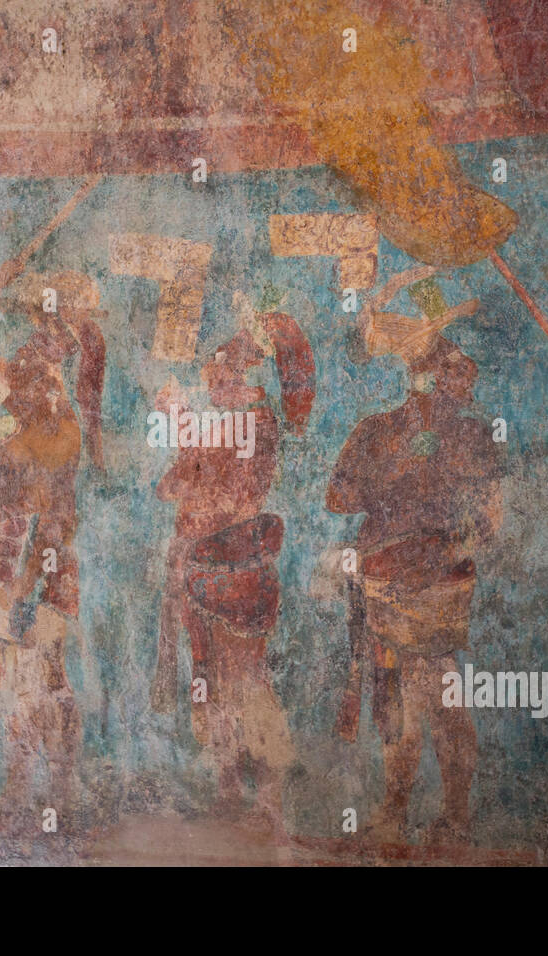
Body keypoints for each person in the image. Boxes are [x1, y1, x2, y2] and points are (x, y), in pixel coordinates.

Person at [0, 264, 105, 829]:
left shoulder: (59, 434)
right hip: (11, 565)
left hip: (44, 568)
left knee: (49, 678)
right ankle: (18, 792)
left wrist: (25, 585)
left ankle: (61, 789)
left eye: (35, 373)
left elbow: (53, 526)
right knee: (19, 682)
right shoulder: (30, 415)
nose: (20, 383)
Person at [150, 293, 315, 835]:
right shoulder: (225, 425)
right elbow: (170, 484)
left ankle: (267, 795)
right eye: (213, 371)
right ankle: (228, 785)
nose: (212, 379)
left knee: (244, 680)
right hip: (202, 570)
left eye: (219, 369)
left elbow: (198, 482)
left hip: (234, 571)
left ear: (242, 374)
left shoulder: (253, 422)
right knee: (212, 681)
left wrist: (178, 417)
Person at [328, 333, 502, 844]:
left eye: (468, 375)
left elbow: (490, 519)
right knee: (396, 694)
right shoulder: (377, 431)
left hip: (435, 584)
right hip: (381, 580)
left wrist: (445, 557)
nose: (465, 386)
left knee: (432, 689)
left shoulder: (473, 436)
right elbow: (337, 496)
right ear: (425, 377)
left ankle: (444, 816)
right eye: (456, 373)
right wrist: (398, 466)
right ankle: (403, 814)